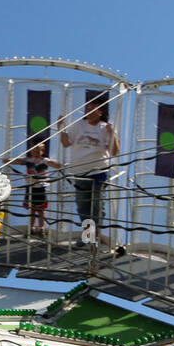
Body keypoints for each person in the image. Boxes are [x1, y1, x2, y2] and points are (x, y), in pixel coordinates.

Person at [56, 97, 120, 248]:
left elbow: (115, 151)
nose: (88, 112)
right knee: (82, 205)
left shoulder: (106, 128)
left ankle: (94, 235)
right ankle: (88, 234)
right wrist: (61, 128)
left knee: (97, 205)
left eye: (92, 109)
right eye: (87, 109)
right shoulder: (78, 125)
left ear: (100, 112)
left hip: (99, 171)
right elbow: (66, 143)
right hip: (80, 171)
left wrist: (112, 134)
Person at [3, 142, 62, 236]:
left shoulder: (44, 161)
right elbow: (18, 161)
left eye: (38, 151)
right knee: (32, 209)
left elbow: (54, 164)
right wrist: (8, 161)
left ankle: (41, 228)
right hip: (31, 187)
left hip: (40, 187)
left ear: (42, 151)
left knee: (41, 210)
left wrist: (60, 165)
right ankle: (31, 228)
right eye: (34, 151)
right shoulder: (28, 160)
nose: (36, 153)